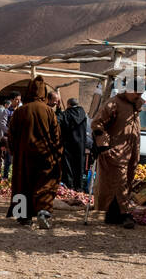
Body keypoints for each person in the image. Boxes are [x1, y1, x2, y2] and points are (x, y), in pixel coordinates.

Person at [5, 77, 63, 229]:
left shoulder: (19, 111)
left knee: (22, 184)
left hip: (23, 155)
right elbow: (57, 136)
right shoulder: (49, 111)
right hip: (45, 154)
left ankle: (23, 216)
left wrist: (14, 151)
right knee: (45, 182)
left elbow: (11, 135)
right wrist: (57, 154)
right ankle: (43, 210)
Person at [92, 90, 143, 227]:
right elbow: (97, 124)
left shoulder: (134, 104)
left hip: (130, 153)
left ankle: (113, 215)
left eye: (141, 94)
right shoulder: (113, 103)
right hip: (115, 152)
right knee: (120, 183)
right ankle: (124, 214)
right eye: (137, 93)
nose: (139, 96)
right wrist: (103, 145)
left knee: (126, 182)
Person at [58, 96, 89, 191]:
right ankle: (79, 187)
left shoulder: (66, 114)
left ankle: (69, 186)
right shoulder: (83, 113)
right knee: (79, 165)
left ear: (68, 105)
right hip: (80, 144)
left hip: (68, 143)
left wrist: (59, 110)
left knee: (68, 165)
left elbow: (57, 121)